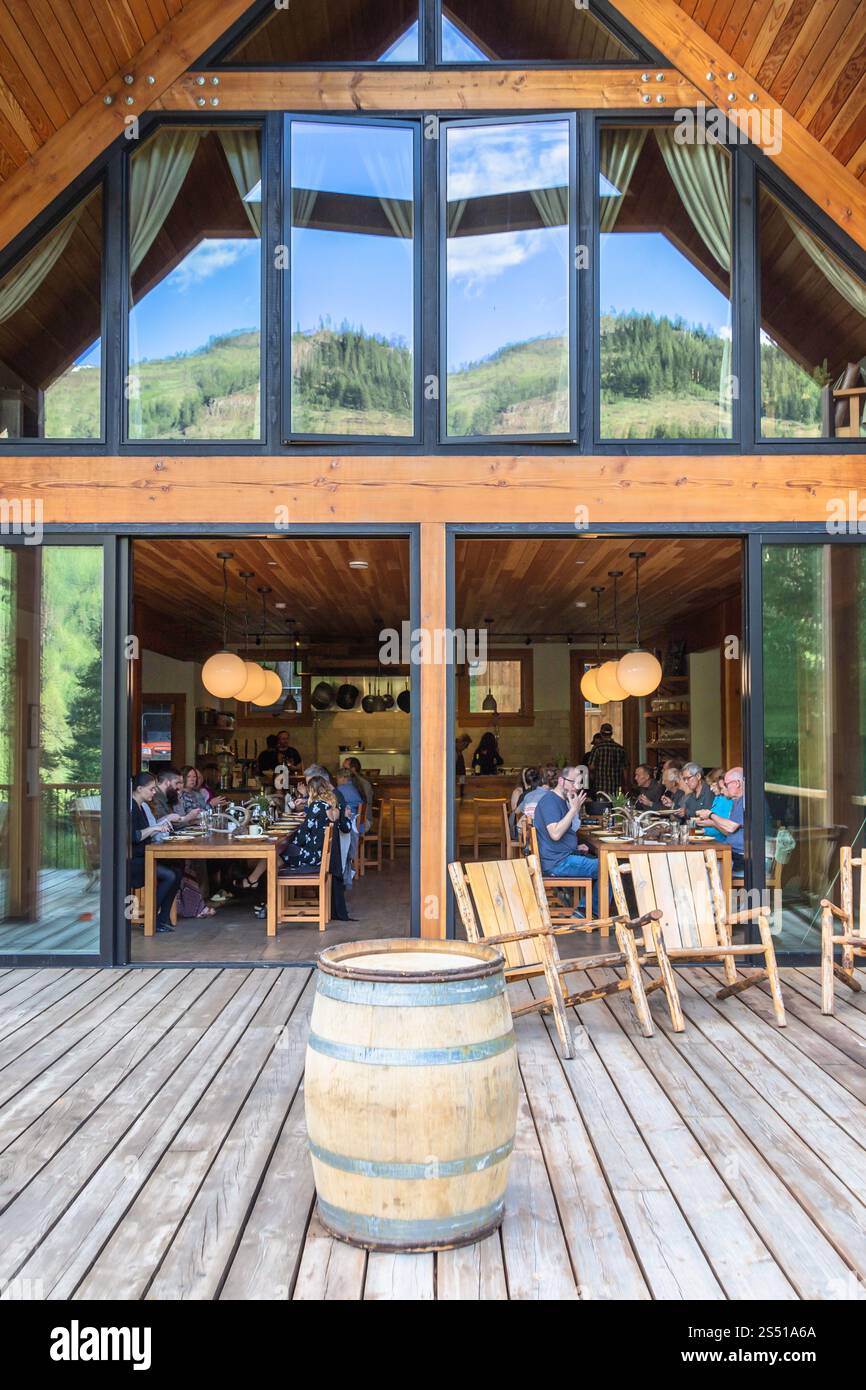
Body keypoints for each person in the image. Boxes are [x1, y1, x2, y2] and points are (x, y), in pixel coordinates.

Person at [239, 773, 352, 920]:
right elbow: (346, 826)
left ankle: (265, 899)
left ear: (312, 791)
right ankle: (261, 894)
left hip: (312, 858)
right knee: (277, 855)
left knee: (273, 855)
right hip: (322, 859)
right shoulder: (334, 807)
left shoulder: (317, 806)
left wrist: (291, 843)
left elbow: (303, 836)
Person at [532, 767, 600, 915]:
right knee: (607, 867)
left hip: (560, 856)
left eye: (580, 784)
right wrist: (573, 810)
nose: (577, 787)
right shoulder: (550, 801)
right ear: (561, 781)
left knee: (603, 861)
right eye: (574, 783)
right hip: (557, 863)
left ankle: (583, 906)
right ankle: (586, 911)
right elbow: (555, 834)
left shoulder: (560, 800)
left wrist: (574, 846)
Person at [129, 771, 182, 934]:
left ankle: (161, 919)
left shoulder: (140, 806)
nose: (154, 792)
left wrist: (158, 828)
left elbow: (144, 832)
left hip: (144, 855)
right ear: (139, 789)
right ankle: (151, 918)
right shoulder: (131, 807)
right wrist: (154, 828)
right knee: (170, 875)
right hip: (134, 861)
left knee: (178, 870)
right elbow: (134, 836)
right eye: (151, 789)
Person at [696, 766, 745, 873]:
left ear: (737, 783)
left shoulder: (746, 801)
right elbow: (728, 831)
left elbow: (731, 827)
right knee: (699, 861)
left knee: (702, 868)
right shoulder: (737, 800)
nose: (723, 791)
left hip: (742, 857)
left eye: (726, 785)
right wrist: (713, 823)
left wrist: (710, 815)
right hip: (732, 852)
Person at [586, 723, 627, 798]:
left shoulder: (597, 748)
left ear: (601, 733)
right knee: (616, 808)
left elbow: (591, 767)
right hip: (616, 787)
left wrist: (593, 776)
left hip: (601, 786)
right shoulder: (620, 749)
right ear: (611, 733)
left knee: (602, 808)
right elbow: (624, 770)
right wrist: (626, 785)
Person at [702, 768, 732, 842]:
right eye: (710, 786)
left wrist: (712, 823)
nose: (711, 789)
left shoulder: (728, 800)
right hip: (709, 839)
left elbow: (728, 830)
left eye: (713, 785)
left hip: (722, 842)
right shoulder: (717, 798)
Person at [342, 757, 374, 824]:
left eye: (345, 769)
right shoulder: (348, 783)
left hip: (363, 821)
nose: (342, 771)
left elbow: (364, 804)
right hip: (356, 818)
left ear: (353, 769)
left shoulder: (363, 784)